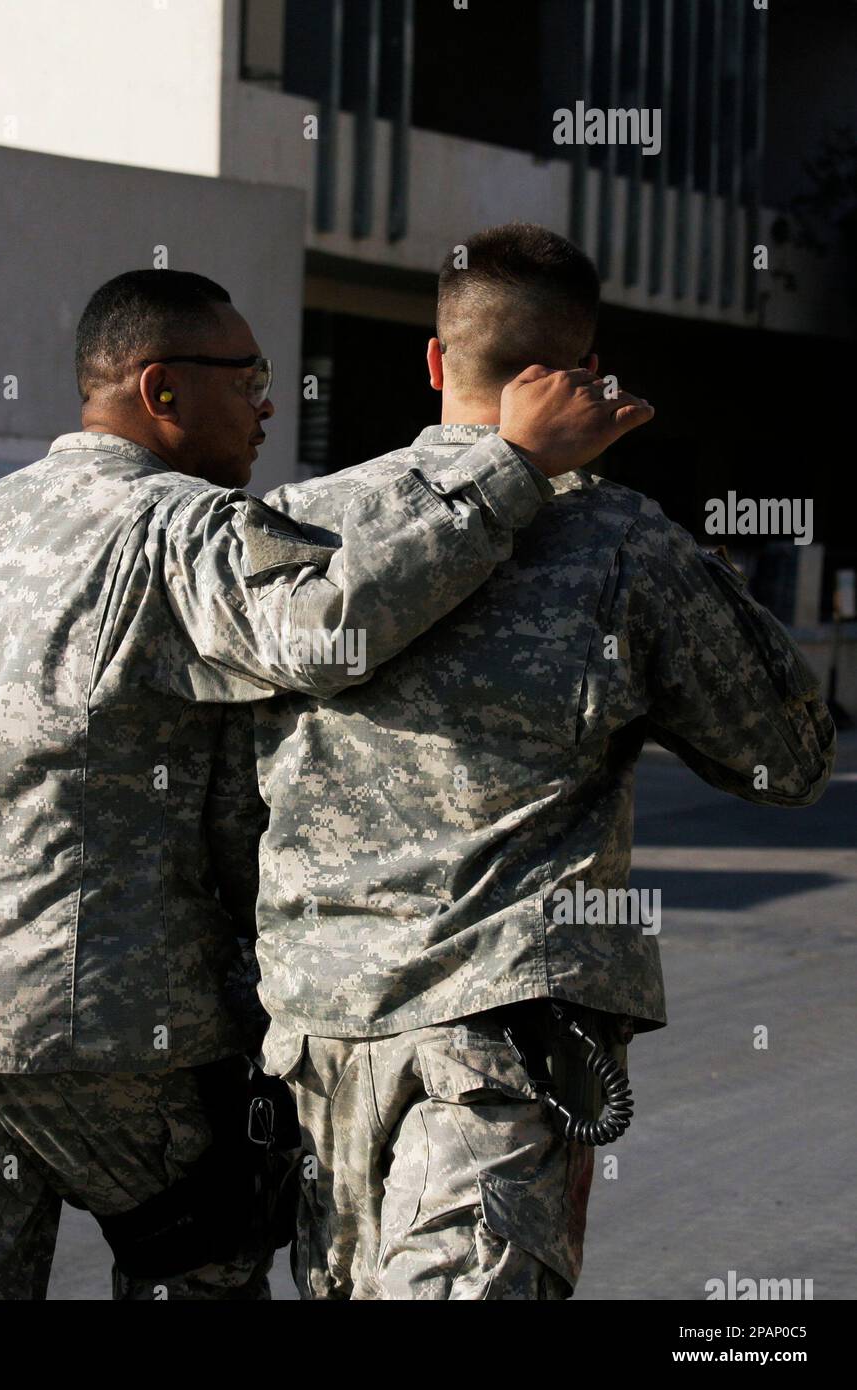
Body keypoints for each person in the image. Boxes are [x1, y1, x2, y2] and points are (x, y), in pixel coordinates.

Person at [0, 268, 649, 1300]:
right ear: (159, 391)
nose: (269, 403)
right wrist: (511, 465)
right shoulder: (175, 529)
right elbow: (327, 628)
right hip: (105, 1030)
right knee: (202, 1267)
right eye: (251, 376)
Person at [243, 224, 836, 1300]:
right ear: (581, 374)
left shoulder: (297, 525)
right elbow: (788, 757)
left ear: (432, 360)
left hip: (314, 1040)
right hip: (497, 1045)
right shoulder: (620, 545)